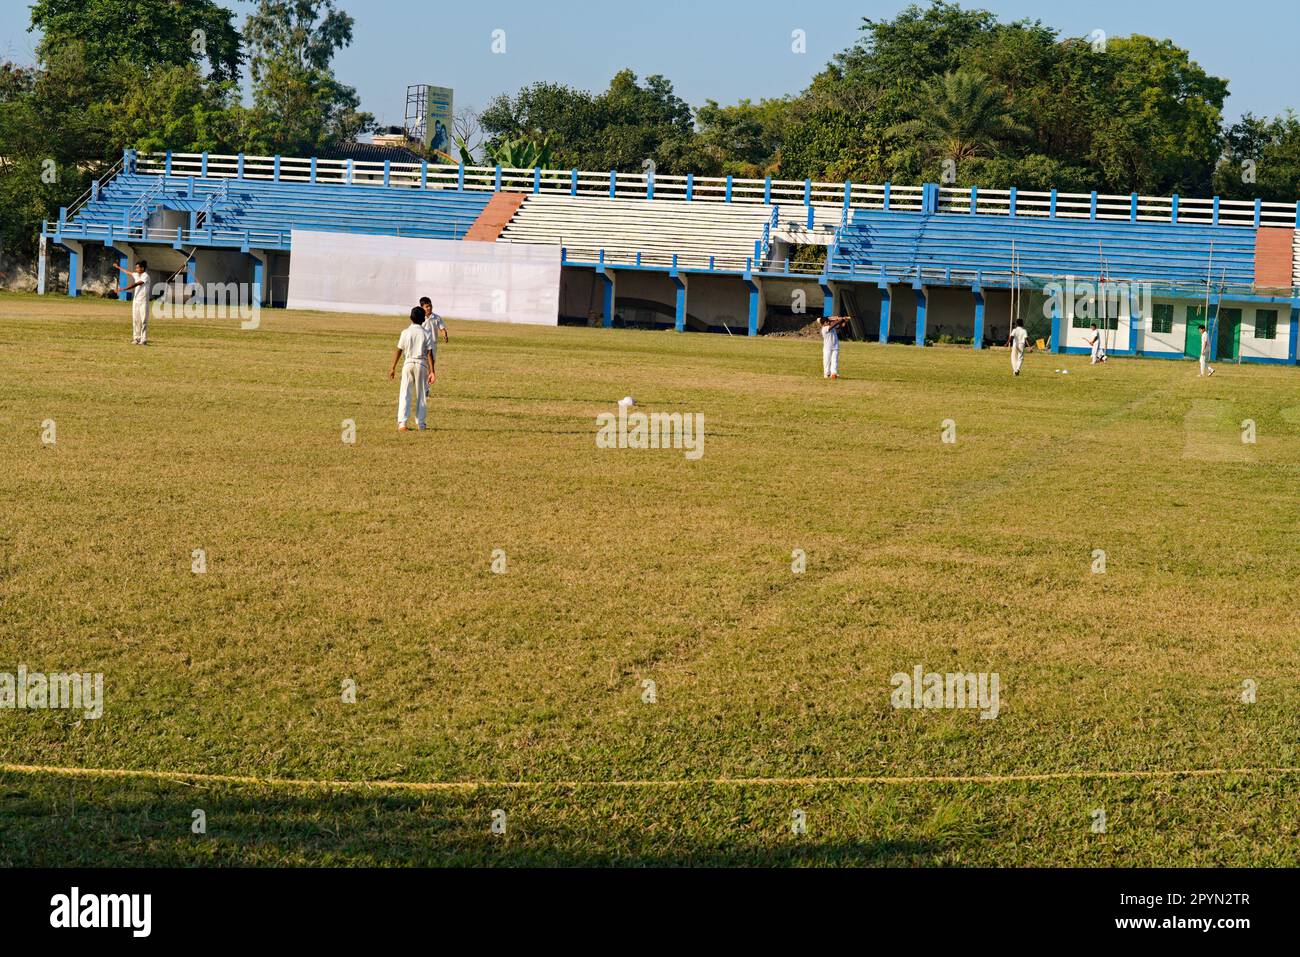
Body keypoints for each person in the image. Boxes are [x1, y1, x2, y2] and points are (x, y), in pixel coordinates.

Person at [389, 307, 434, 431]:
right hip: (421, 364)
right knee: (421, 394)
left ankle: (402, 423)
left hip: (407, 363)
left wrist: (393, 367)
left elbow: (399, 350)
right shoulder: (426, 333)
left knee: (405, 393)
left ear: (411, 318)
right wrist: (432, 371)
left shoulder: (405, 332)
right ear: (423, 319)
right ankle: (420, 423)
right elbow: (429, 353)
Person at [115, 260, 151, 345]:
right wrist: (118, 267)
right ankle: (136, 338)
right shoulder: (136, 274)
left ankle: (143, 339)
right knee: (135, 320)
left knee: (143, 321)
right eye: (136, 267)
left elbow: (136, 284)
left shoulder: (145, 276)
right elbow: (128, 273)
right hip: (136, 301)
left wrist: (123, 289)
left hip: (144, 302)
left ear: (142, 268)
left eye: (138, 267)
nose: (136, 269)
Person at [819, 315, 849, 379]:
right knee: (827, 361)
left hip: (835, 347)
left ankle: (834, 373)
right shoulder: (824, 329)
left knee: (834, 361)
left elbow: (842, 326)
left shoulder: (832, 326)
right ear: (823, 323)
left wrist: (845, 321)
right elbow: (834, 325)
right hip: (827, 348)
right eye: (827, 322)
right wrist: (839, 320)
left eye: (828, 321)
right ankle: (826, 374)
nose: (828, 322)